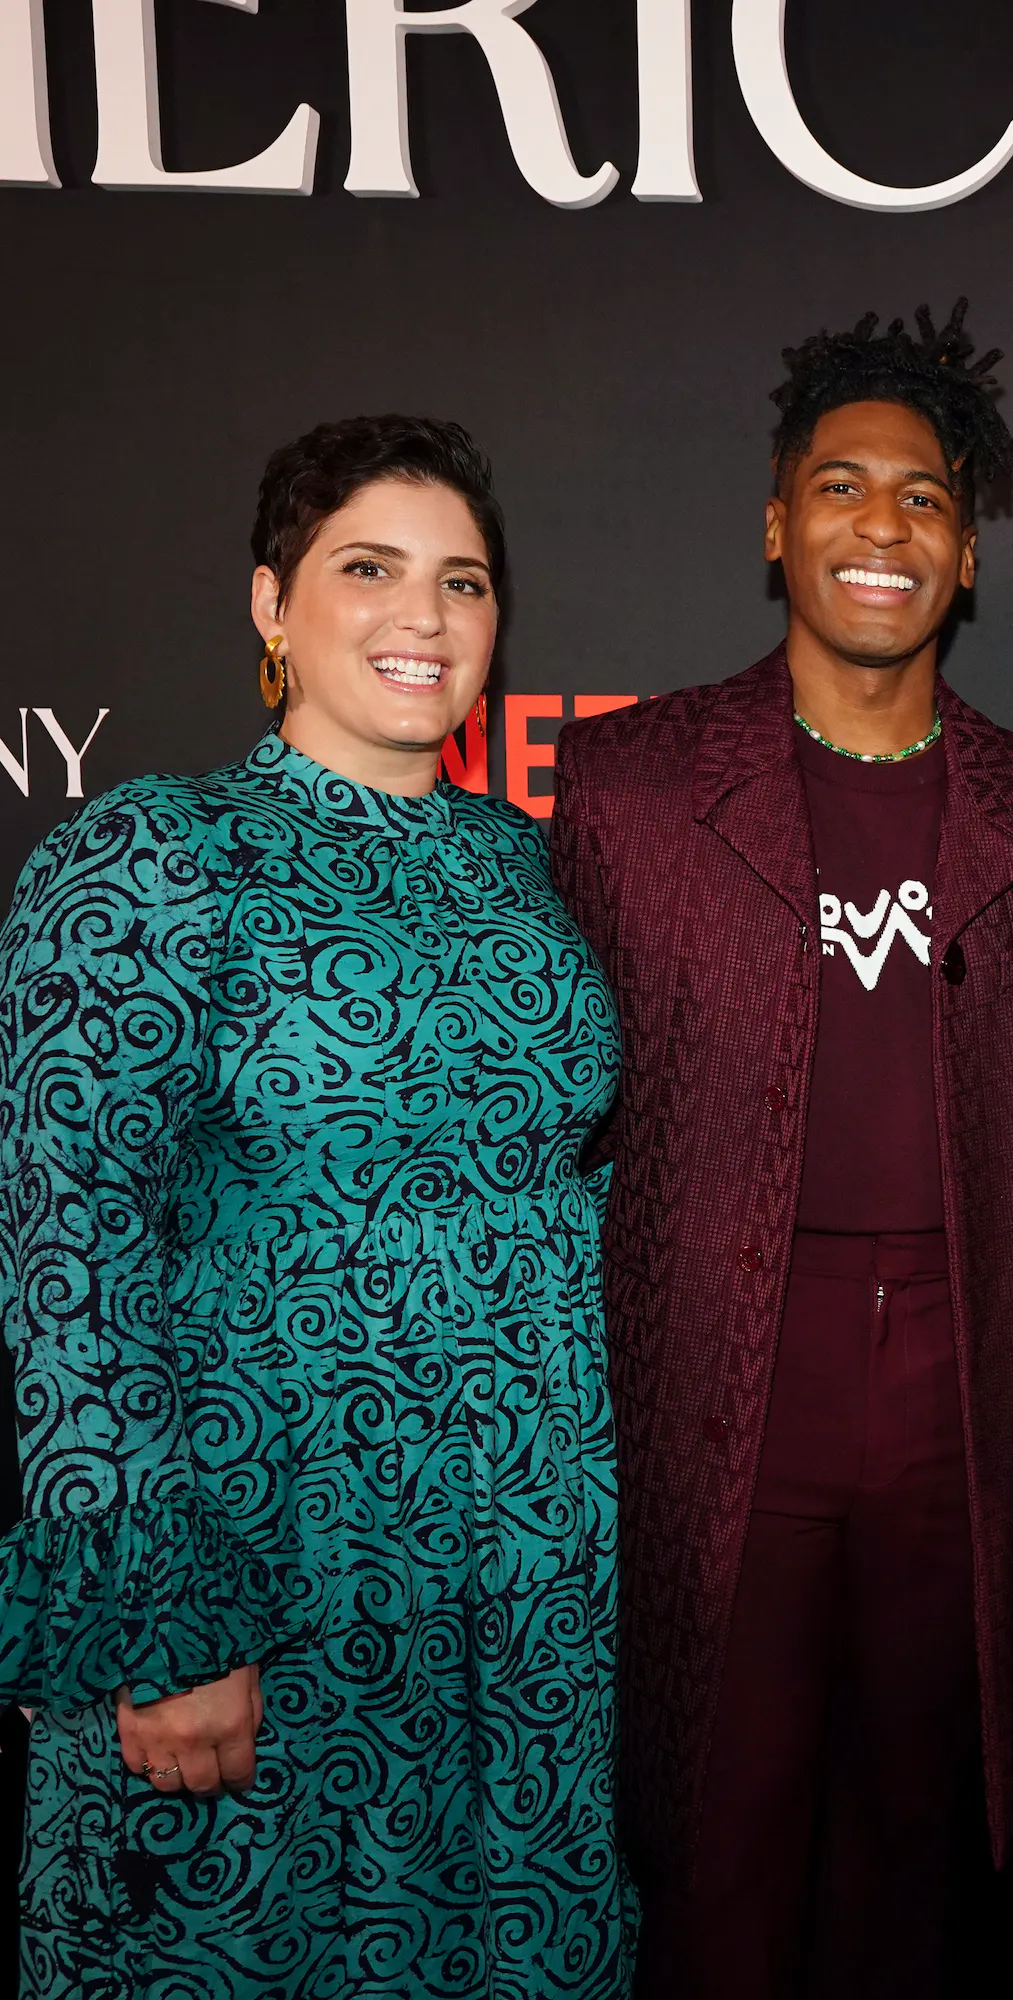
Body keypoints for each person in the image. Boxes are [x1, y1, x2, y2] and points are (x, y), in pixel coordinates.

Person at [0, 416, 631, 1995]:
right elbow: (67, 1259)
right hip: (266, 1565)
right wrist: (157, 1626)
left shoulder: (526, 866)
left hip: (521, 1571)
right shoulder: (156, 855)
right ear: (273, 604)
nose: (425, 617)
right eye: (371, 568)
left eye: (464, 581)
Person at [550, 307, 1013, 1998]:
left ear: (967, 550)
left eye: (923, 498)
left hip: (963, 1387)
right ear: (776, 524)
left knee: (924, 1845)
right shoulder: (627, 783)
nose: (882, 527)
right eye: (840, 486)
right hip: (716, 1362)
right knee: (722, 1831)